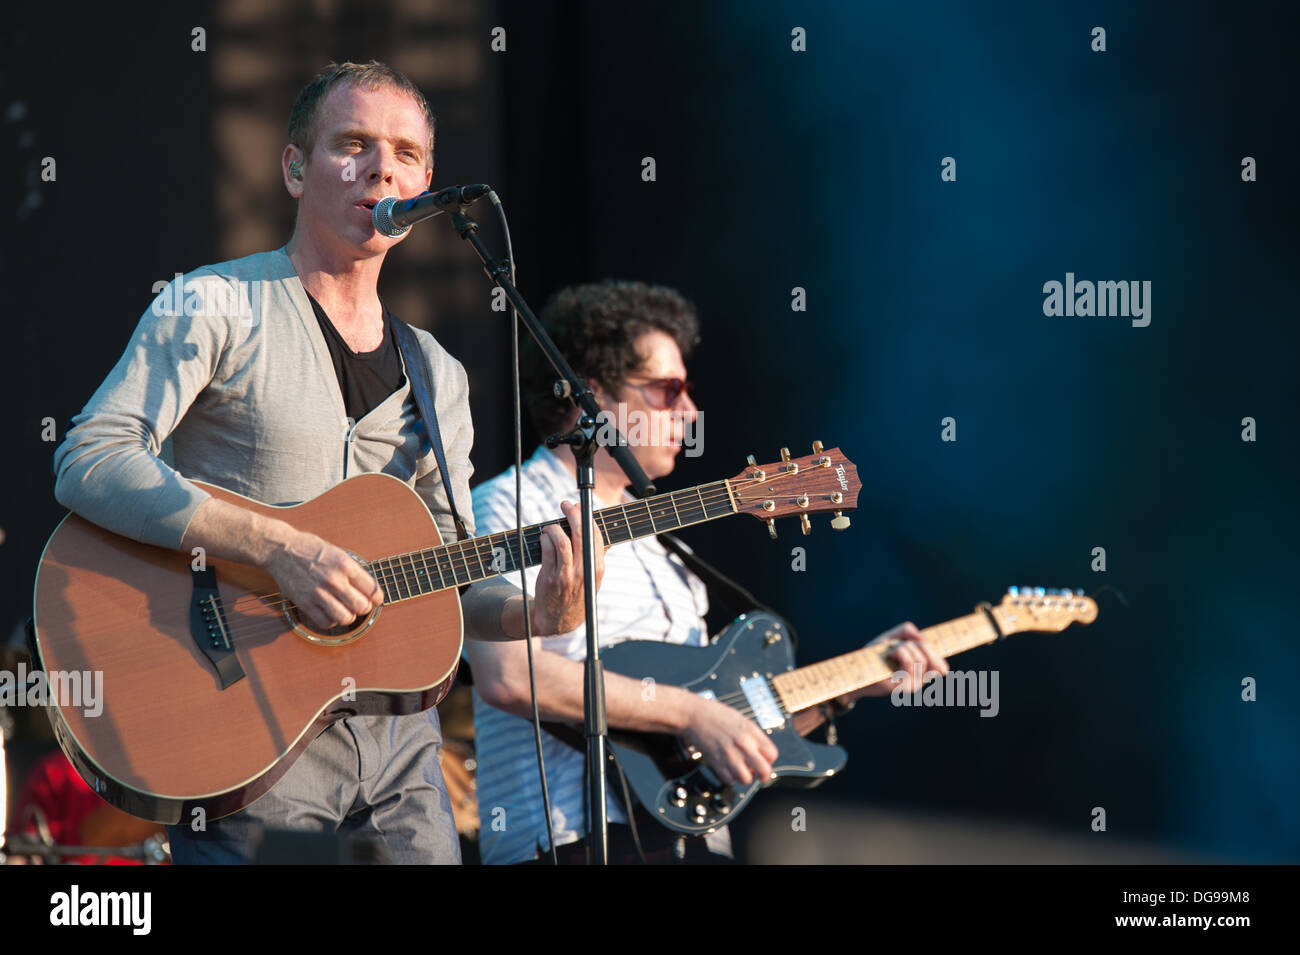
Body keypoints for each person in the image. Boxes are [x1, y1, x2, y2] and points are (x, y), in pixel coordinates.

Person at [50, 61, 601, 865]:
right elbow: (89, 458)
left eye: (407, 154)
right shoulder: (212, 302)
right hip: (238, 724)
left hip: (400, 751)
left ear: (427, 187)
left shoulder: (438, 371)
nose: (384, 166)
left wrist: (538, 614)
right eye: (354, 143)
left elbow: (445, 580)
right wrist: (279, 547)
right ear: (296, 169)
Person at [467, 280, 948, 864]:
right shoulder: (507, 501)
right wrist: (693, 713)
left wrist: (852, 685)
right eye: (668, 391)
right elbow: (511, 677)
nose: (689, 412)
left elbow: (732, 717)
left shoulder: (667, 543)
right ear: (592, 398)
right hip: (571, 838)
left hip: (694, 838)